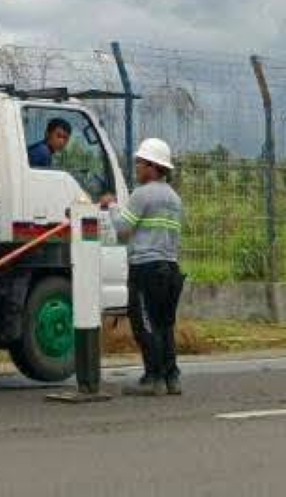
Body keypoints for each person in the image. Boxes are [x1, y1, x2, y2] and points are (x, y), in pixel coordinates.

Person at [102, 137, 185, 397]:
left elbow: (123, 229)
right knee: (165, 324)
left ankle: (153, 378)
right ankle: (172, 377)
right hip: (170, 268)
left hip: (146, 269)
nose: (136, 167)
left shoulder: (142, 194)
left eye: (140, 163)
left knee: (144, 323)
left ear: (153, 166)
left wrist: (112, 205)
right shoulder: (174, 198)